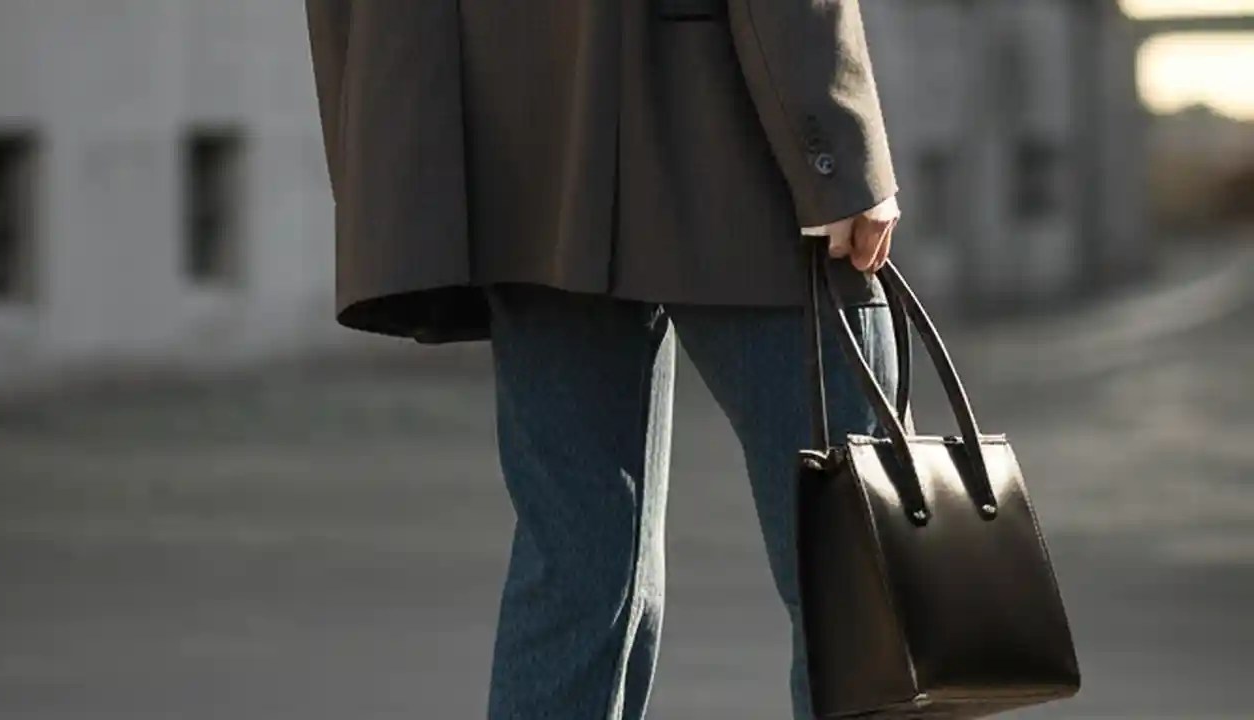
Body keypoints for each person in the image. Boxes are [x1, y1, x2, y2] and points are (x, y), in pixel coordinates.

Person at [305, 1, 901, 717]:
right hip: (728, 132)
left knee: (579, 571)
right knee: (857, 567)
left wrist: (381, 153)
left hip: (528, 156)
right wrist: (834, 144)